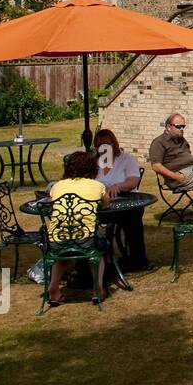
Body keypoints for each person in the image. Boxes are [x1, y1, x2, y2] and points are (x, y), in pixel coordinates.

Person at [46, 151, 109, 306]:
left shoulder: (57, 186)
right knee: (99, 251)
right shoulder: (98, 186)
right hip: (85, 239)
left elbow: (52, 203)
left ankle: (54, 287)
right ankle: (98, 288)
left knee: (62, 255)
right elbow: (105, 205)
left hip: (57, 238)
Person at [94, 129, 149, 272]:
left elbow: (133, 181)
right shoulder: (94, 163)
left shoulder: (126, 159)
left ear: (114, 144)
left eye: (106, 144)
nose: (103, 148)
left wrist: (118, 186)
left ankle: (137, 260)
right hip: (102, 206)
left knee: (133, 218)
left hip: (125, 202)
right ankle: (95, 261)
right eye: (99, 145)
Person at [149, 113, 193, 190]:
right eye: (178, 126)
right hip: (178, 178)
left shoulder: (182, 140)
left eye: (183, 126)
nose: (182, 129)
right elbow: (156, 166)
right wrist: (176, 177)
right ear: (168, 127)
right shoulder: (159, 142)